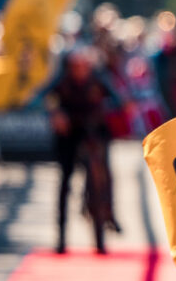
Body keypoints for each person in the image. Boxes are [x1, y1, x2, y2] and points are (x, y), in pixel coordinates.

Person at [44, 47, 124, 254]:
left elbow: (119, 99)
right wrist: (55, 113)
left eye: (83, 66)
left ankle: (102, 232)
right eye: (76, 66)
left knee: (99, 180)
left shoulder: (99, 80)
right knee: (65, 182)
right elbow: (44, 97)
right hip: (68, 136)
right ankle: (61, 238)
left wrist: (103, 107)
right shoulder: (62, 81)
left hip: (92, 134)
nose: (80, 70)